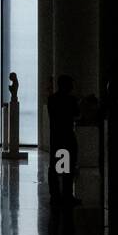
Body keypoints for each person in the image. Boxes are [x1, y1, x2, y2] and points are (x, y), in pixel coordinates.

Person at [47, 74, 79, 205]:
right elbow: (77, 114)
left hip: (56, 137)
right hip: (67, 136)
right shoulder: (71, 100)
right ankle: (66, 195)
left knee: (55, 167)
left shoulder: (52, 99)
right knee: (67, 168)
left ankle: (55, 195)